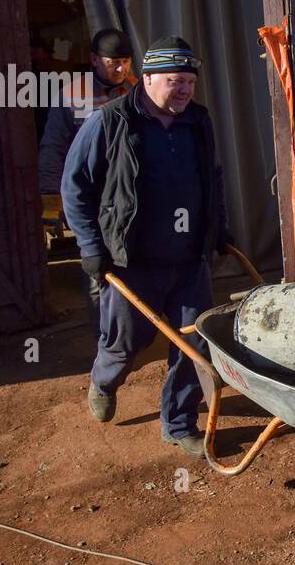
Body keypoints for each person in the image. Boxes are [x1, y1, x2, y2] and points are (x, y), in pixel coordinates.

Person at [60, 36, 231, 457]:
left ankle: (177, 423)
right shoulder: (111, 121)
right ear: (149, 78)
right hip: (130, 261)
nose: (185, 90)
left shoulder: (198, 121)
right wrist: (90, 247)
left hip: (189, 260)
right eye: (175, 81)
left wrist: (218, 228)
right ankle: (104, 381)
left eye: (190, 82)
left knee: (194, 344)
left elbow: (212, 179)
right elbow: (74, 186)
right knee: (125, 345)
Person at [40, 28, 135, 328]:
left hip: (130, 197)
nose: (121, 69)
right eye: (113, 62)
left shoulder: (138, 92)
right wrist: (52, 198)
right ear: (94, 59)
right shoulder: (71, 94)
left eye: (126, 61)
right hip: (92, 198)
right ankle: (104, 335)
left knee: (134, 264)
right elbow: (53, 146)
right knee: (98, 268)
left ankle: (133, 330)